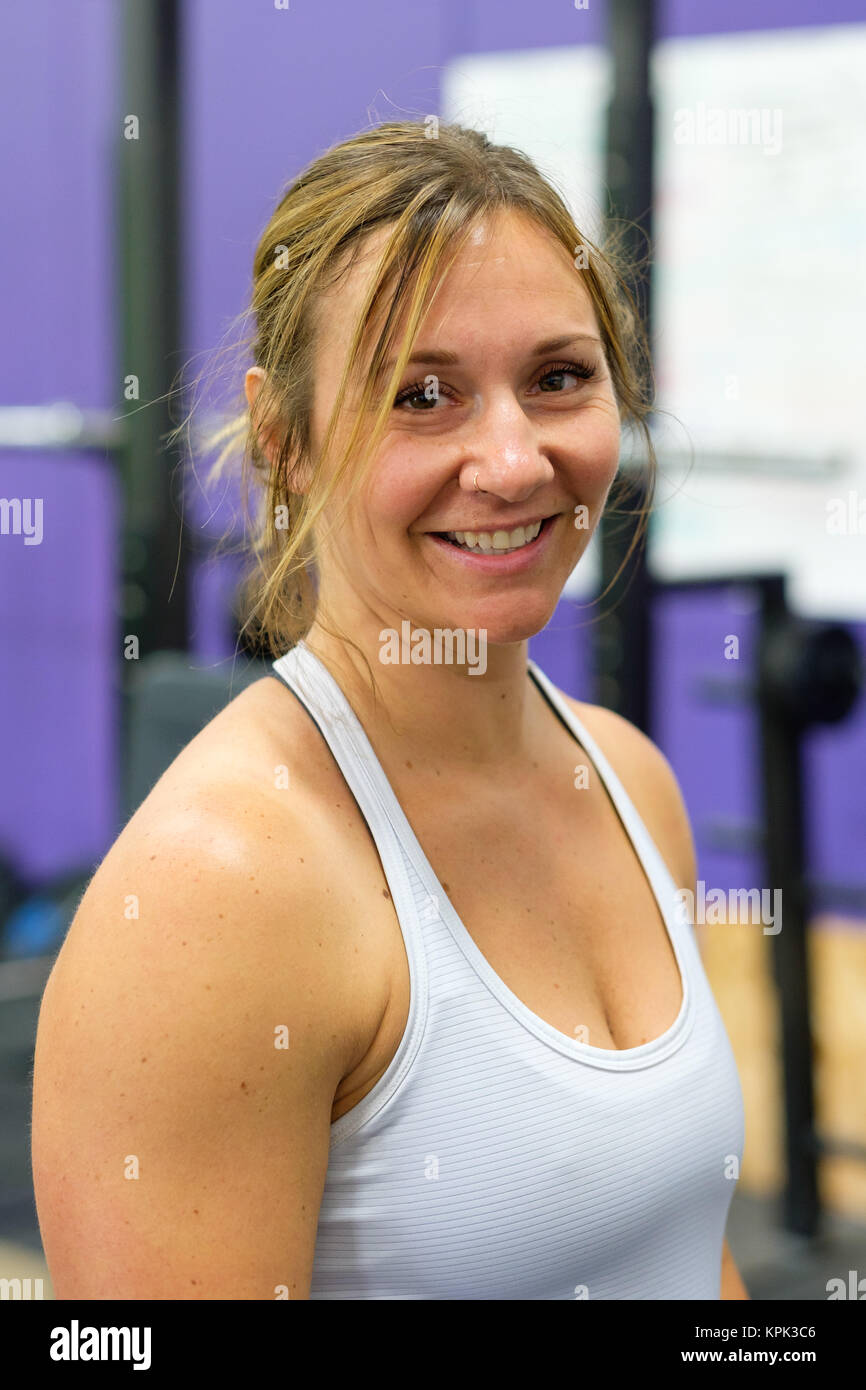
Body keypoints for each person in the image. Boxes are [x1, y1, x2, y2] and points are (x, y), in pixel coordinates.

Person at [31, 120, 748, 1299]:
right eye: (422, 395)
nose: (512, 461)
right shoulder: (218, 895)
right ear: (283, 440)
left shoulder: (626, 779)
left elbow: (687, 1257)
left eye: (557, 378)